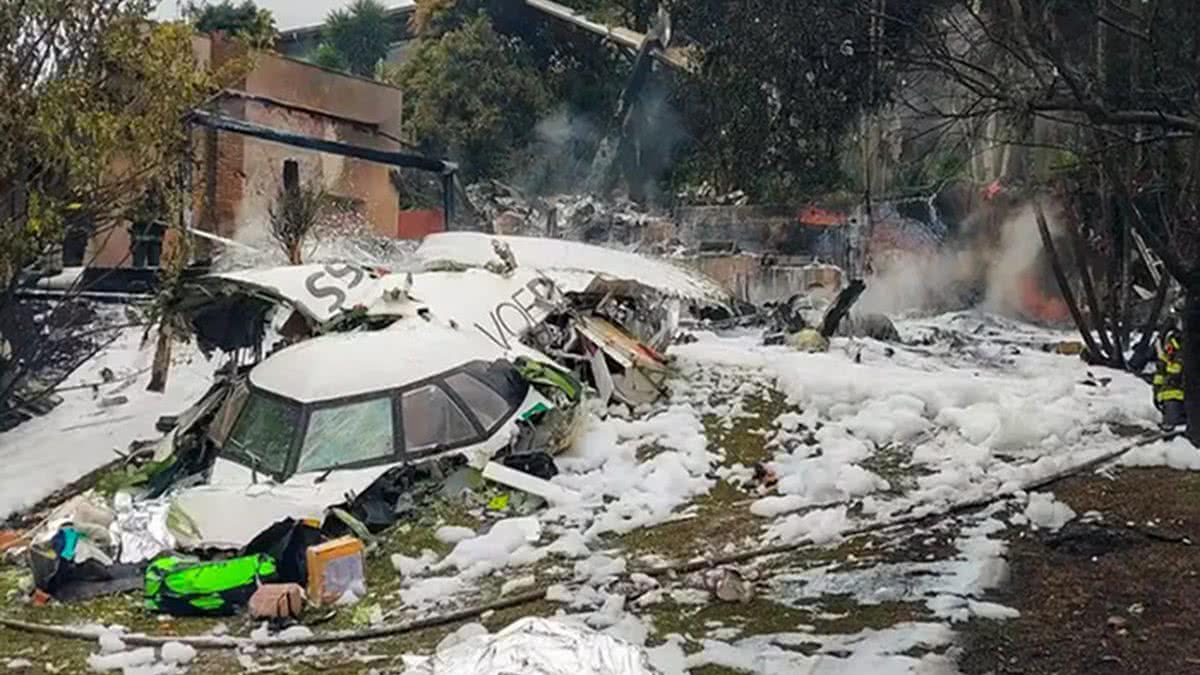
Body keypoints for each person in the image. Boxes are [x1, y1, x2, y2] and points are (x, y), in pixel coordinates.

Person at [1153, 322, 1186, 430]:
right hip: (1172, 396)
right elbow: (1161, 369)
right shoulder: (1170, 342)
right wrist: (1156, 390)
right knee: (1172, 430)